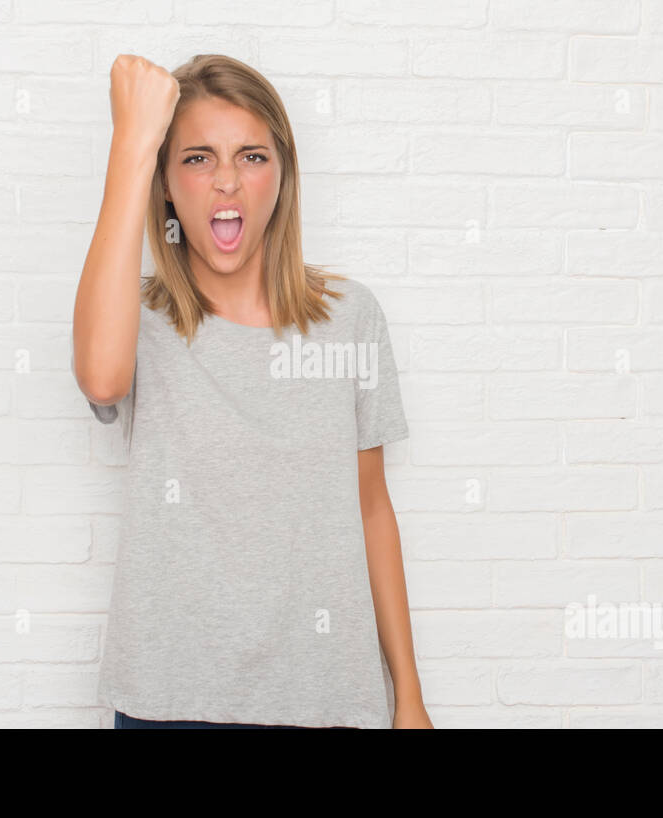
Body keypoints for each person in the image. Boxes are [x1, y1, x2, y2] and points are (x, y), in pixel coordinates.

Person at [72, 53, 432, 730]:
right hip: (168, 700)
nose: (228, 182)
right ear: (166, 184)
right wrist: (130, 145)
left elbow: (372, 509)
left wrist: (408, 695)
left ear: (283, 175)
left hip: (323, 697)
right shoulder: (138, 319)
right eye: (198, 159)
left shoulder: (350, 317)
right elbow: (100, 376)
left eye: (253, 157)